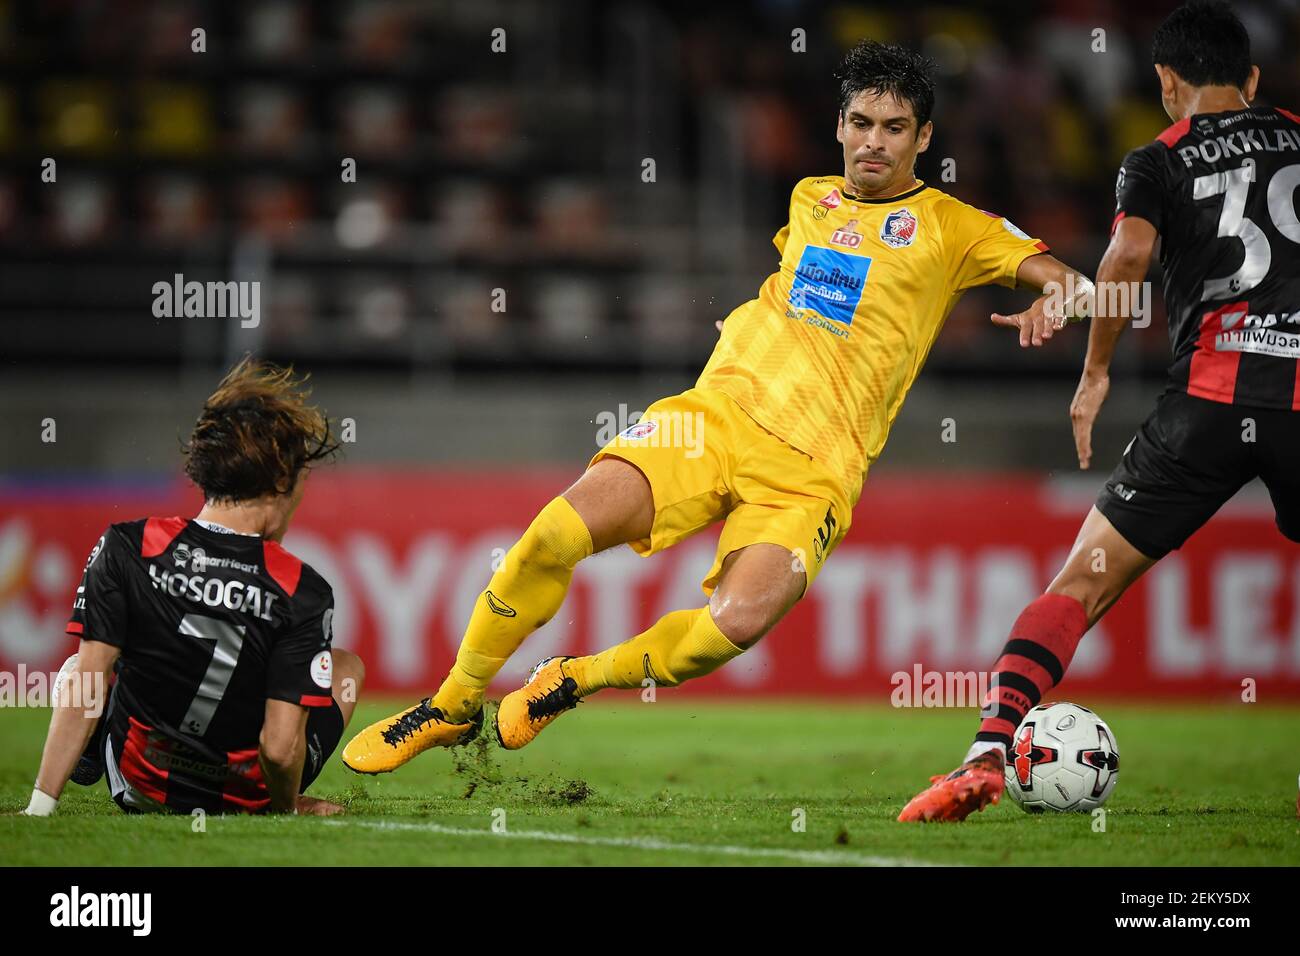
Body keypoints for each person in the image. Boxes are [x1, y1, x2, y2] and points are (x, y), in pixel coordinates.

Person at [343, 39, 1094, 774]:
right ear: (839, 124)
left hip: (814, 473)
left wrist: (1049, 305)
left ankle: (576, 676)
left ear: (924, 137)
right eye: (861, 123)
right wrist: (742, 329)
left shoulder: (953, 228)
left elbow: (1079, 283)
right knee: (550, 536)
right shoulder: (811, 197)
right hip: (715, 418)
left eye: (895, 128)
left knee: (728, 630)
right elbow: (801, 291)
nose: (874, 143)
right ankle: (452, 702)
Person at [900, 0, 1300, 822]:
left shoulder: (1156, 159)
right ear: (1253, 80)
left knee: (1080, 582)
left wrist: (1096, 371)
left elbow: (1125, 256)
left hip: (1211, 397)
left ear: (1163, 84)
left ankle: (984, 752)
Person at [22, 357, 363, 817]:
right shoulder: (303, 588)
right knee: (344, 669)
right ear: (282, 479)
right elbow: (281, 749)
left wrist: (39, 809)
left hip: (138, 787)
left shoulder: (129, 545)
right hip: (245, 799)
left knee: (80, 668)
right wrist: (284, 811)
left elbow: (89, 679)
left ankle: (88, 755)